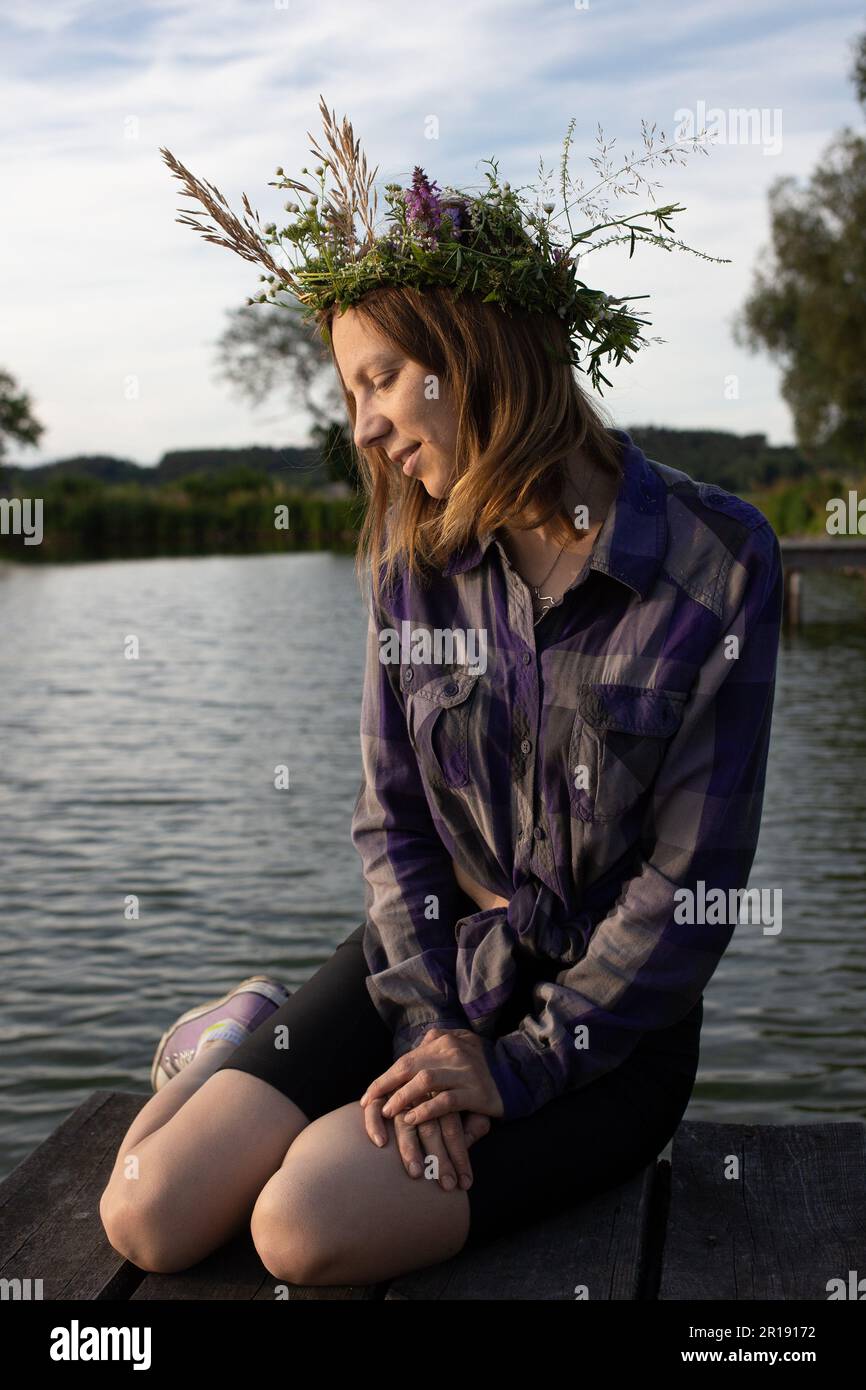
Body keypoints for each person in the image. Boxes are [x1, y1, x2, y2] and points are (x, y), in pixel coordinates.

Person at [99, 102, 783, 1287]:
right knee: (146, 1217)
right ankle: (236, 1026)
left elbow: (694, 886)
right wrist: (429, 1029)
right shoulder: (409, 561)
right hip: (426, 964)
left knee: (302, 1225)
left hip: (603, 1035)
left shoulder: (713, 560)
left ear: (470, 352)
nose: (361, 427)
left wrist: (512, 1065)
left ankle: (321, 1118)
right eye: (348, 393)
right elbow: (391, 821)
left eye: (378, 381)